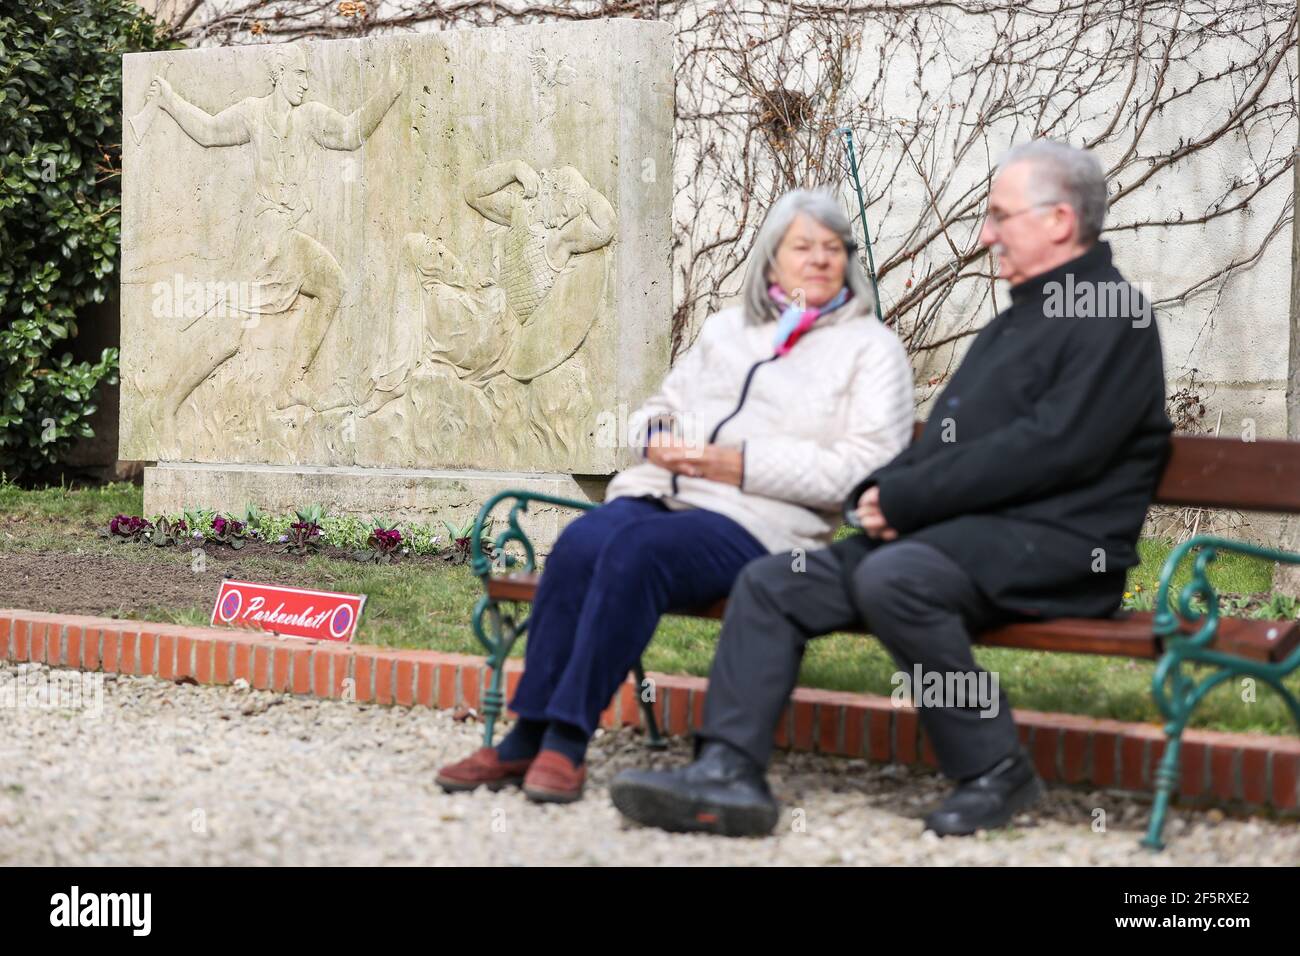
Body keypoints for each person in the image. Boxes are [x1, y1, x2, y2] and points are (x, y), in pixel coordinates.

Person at [610, 140, 1173, 837]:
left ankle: (995, 767)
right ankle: (727, 772)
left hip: (1061, 549)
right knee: (772, 581)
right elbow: (948, 442)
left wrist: (908, 503)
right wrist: (880, 491)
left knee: (897, 580)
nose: (985, 234)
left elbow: (1050, 449)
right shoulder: (1016, 320)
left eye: (998, 216)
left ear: (1059, 220)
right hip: (961, 540)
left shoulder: (1111, 315)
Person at [436, 189, 916, 803]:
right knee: (582, 543)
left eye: (834, 249)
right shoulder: (728, 330)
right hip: (665, 493)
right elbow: (655, 413)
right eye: (804, 247)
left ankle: (566, 740)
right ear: (772, 259)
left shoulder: (871, 350)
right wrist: (659, 438)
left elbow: (861, 468)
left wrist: (739, 464)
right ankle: (525, 736)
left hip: (763, 521)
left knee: (638, 553)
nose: (821, 260)